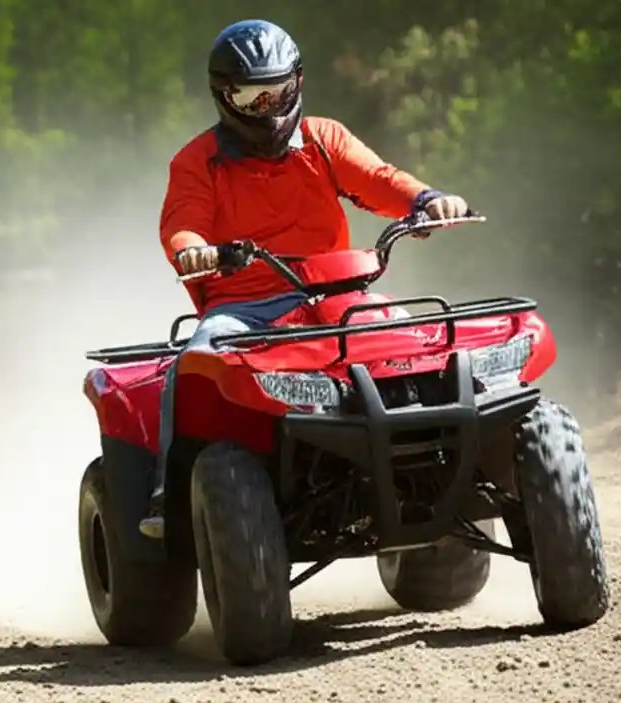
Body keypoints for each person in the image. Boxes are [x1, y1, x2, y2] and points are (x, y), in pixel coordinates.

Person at [139, 18, 474, 538]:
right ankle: (169, 496)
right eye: (252, 97)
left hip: (340, 295)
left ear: (297, 83)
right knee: (195, 361)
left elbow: (379, 180)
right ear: (224, 96)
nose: (268, 109)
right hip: (246, 307)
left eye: (278, 92)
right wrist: (195, 252)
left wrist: (425, 200)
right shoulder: (196, 162)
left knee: (416, 340)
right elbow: (181, 226)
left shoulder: (324, 138)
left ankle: (440, 459)